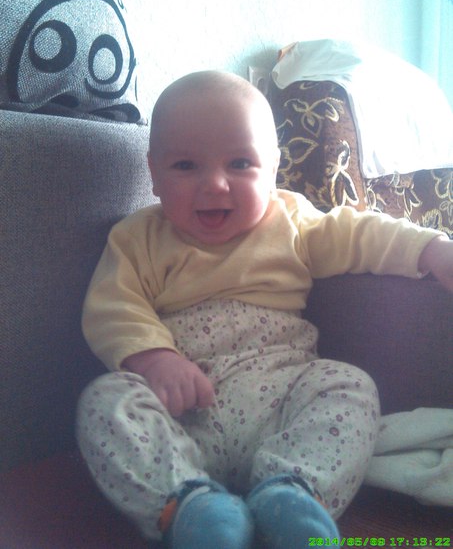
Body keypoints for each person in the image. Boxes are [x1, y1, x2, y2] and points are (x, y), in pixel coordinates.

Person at [76, 70, 453, 549]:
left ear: (272, 167)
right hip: (182, 414)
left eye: (239, 163)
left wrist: (432, 250)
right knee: (105, 399)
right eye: (186, 166)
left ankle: (293, 493)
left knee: (350, 385)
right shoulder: (138, 238)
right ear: (154, 173)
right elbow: (113, 304)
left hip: (282, 404)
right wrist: (154, 359)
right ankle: (188, 507)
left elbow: (361, 233)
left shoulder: (291, 220)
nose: (215, 184)